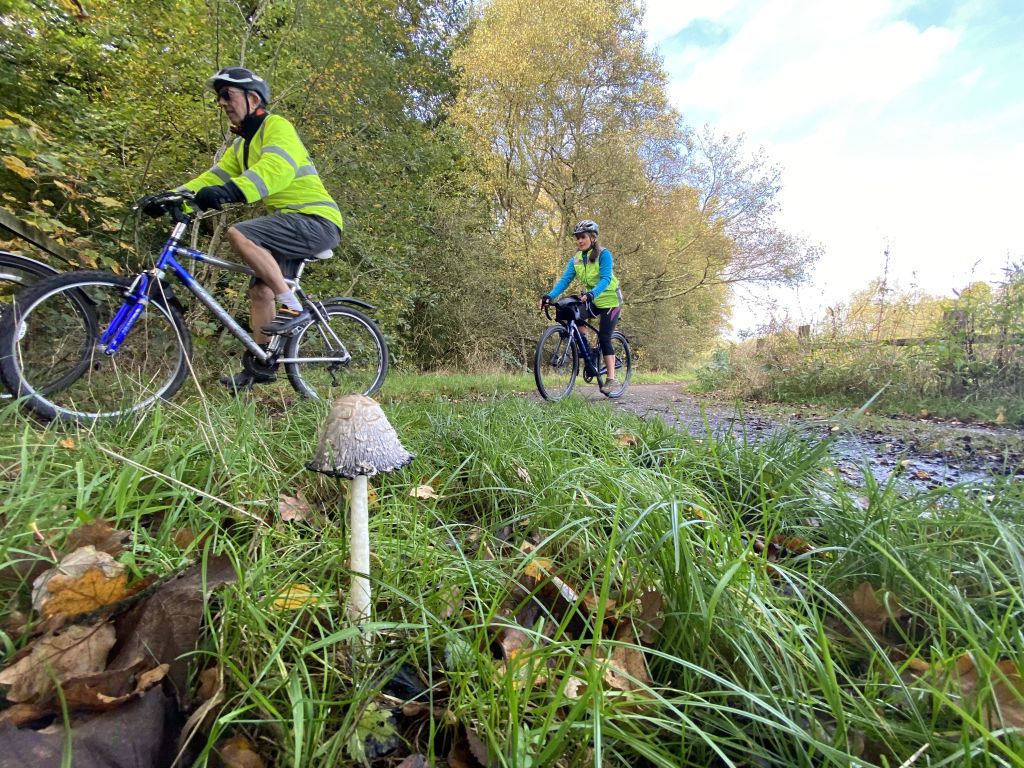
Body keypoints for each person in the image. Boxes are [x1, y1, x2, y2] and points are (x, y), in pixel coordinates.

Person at [142, 66, 343, 391]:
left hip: (316, 220)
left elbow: (276, 168)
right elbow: (212, 179)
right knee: (259, 292)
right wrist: (172, 197)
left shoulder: (277, 127)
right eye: (218, 97)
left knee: (240, 233)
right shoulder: (242, 146)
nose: (221, 102)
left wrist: (231, 192)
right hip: (291, 224)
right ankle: (262, 364)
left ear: (252, 98)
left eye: (227, 95)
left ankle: (290, 304)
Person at [539, 220, 623, 394]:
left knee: (605, 337)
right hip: (592, 299)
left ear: (592, 238)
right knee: (573, 315)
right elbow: (564, 281)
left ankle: (612, 380)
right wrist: (549, 296)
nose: (579, 241)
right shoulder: (576, 259)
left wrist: (592, 293)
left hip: (610, 301)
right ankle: (589, 353)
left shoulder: (604, 254)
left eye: (583, 237)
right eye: (577, 238)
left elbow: (606, 279)